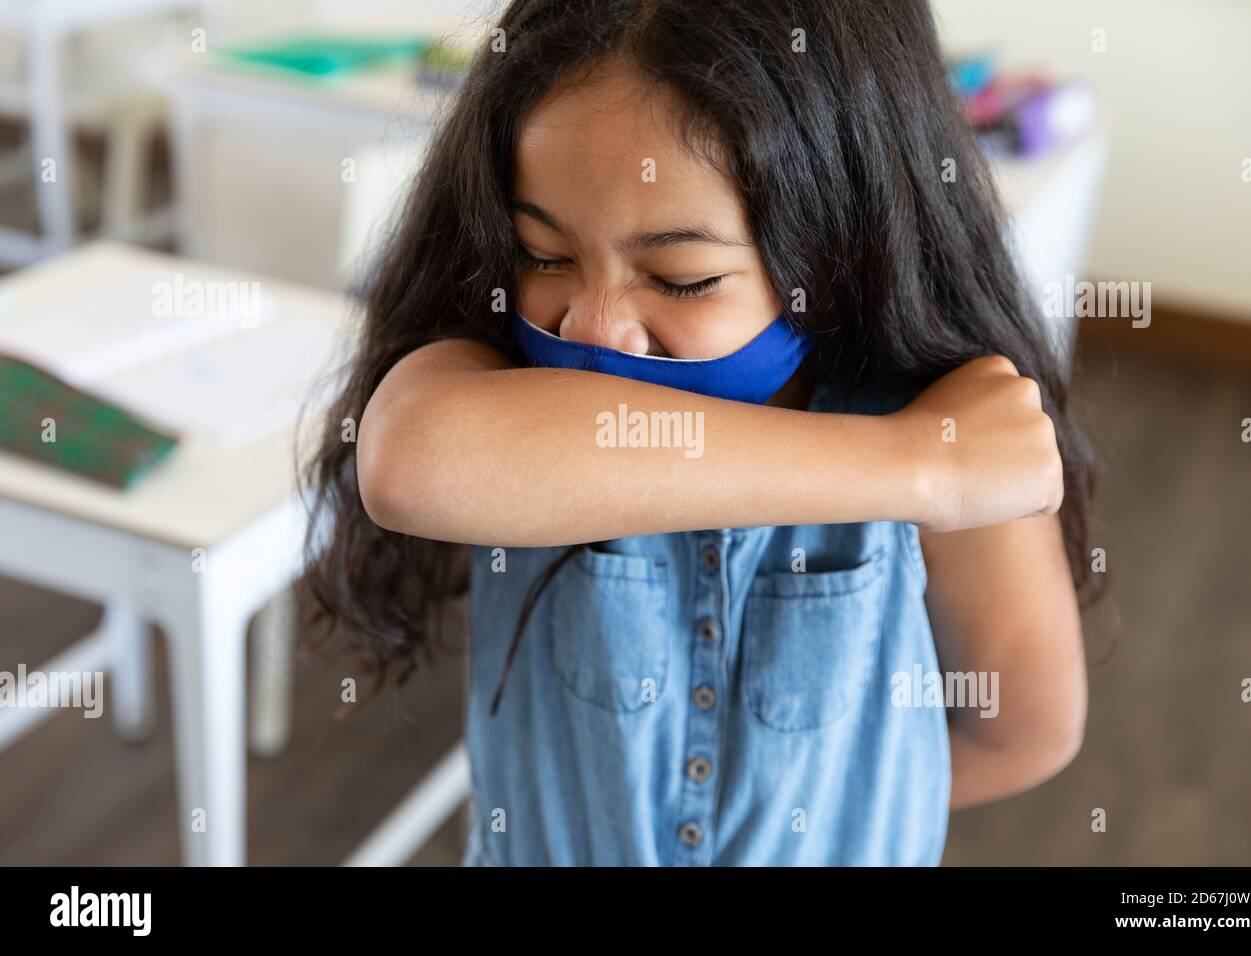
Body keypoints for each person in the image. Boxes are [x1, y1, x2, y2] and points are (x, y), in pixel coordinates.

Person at [305, 0, 1096, 866]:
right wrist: (912, 470)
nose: (595, 329)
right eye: (544, 254)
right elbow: (410, 456)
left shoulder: (941, 420)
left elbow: (1023, 729)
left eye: (682, 278)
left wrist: (848, 818)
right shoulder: (500, 386)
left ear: (841, 248)